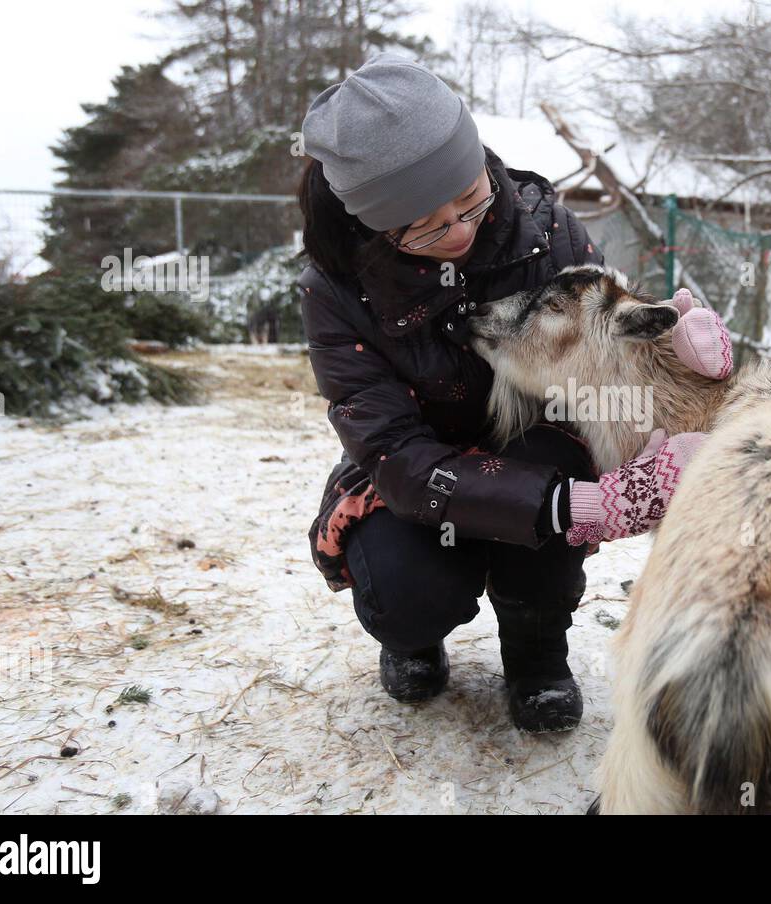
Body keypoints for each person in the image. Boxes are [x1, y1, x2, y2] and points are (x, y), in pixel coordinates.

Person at [295, 53, 733, 733]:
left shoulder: (544, 227)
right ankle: (411, 638)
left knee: (549, 500)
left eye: (471, 200)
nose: (462, 231)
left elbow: (600, 334)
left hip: (532, 443)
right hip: (413, 472)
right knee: (407, 590)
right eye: (427, 225)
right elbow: (394, 452)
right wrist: (577, 506)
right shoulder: (335, 293)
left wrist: (671, 347)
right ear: (377, 223)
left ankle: (535, 654)